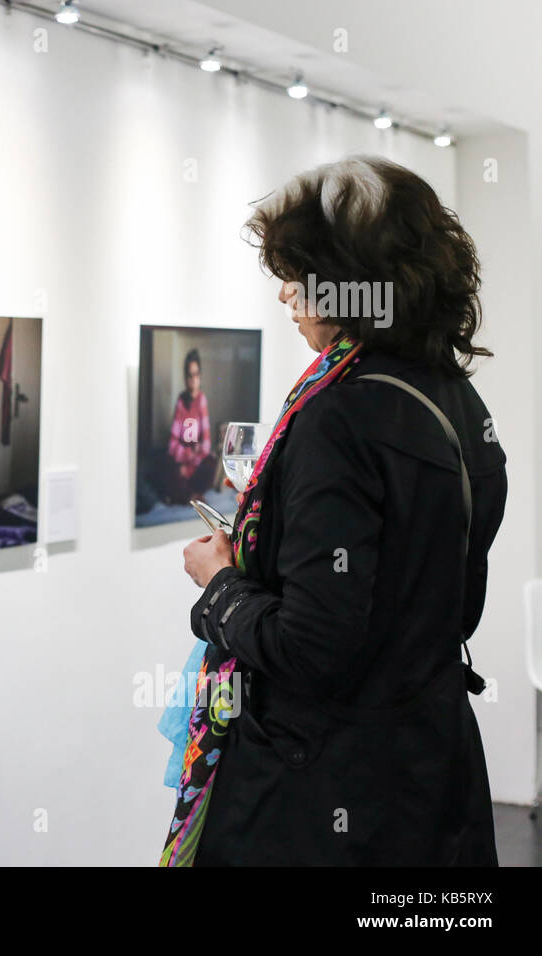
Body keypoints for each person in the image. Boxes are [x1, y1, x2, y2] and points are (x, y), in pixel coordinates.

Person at [161, 155, 506, 866]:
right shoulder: (455, 397)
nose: (286, 294)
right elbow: (434, 592)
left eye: (300, 274)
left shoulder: (339, 416)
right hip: (432, 772)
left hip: (327, 794)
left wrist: (221, 583)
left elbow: (311, 647)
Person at [162, 349, 219, 503]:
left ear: (200, 376)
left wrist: (191, 464)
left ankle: (184, 495)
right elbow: (173, 444)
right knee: (165, 462)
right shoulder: (181, 401)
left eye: (196, 375)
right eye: (190, 375)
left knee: (211, 462)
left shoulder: (202, 401)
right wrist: (185, 457)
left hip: (196, 464)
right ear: (185, 378)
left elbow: (206, 444)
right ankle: (189, 496)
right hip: (181, 462)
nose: (193, 380)